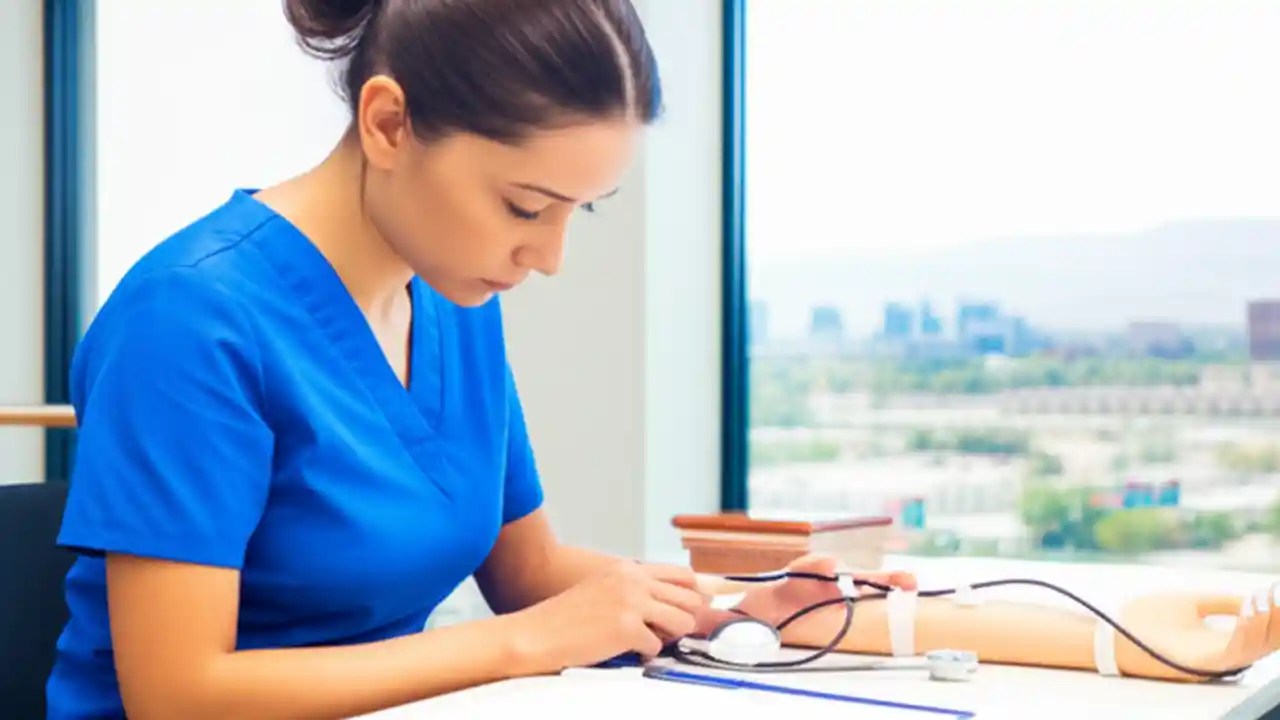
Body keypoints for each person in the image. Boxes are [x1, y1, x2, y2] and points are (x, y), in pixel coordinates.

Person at [41, 0, 1277, 717]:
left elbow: (528, 573)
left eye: (583, 213)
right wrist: (529, 644)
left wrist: (742, 610)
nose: (550, 258)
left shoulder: (449, 295)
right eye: (526, 206)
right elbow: (178, 691)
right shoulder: (191, 323)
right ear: (387, 121)